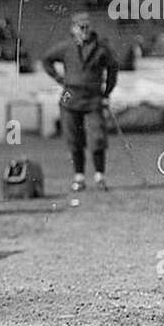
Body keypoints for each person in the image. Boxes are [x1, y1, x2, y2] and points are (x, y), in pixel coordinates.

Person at [41, 10, 119, 193]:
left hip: (93, 96)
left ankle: (100, 176)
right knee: (73, 138)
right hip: (70, 95)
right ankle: (79, 177)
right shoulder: (66, 47)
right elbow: (46, 60)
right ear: (73, 29)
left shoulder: (101, 47)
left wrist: (107, 92)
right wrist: (60, 80)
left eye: (86, 27)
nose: (84, 30)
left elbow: (113, 68)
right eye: (80, 27)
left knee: (98, 137)